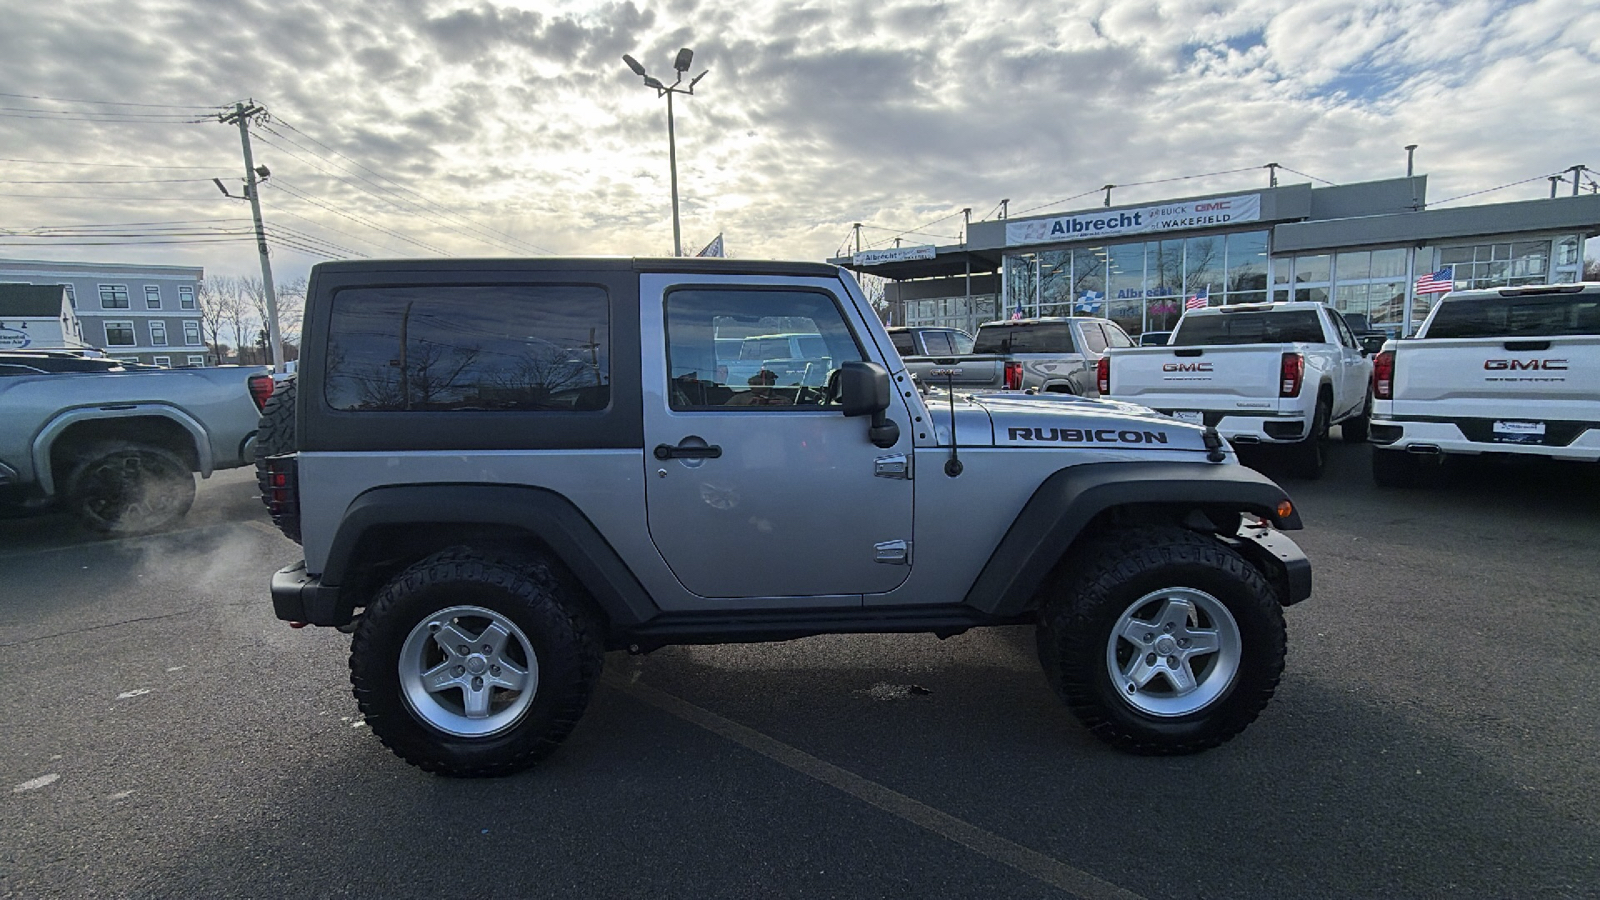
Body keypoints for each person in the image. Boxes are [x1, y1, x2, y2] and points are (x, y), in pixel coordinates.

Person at [726, 368, 790, 406]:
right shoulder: (740, 398)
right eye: (755, 383)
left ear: (771, 383)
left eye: (765, 381)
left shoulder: (783, 400)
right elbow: (725, 413)